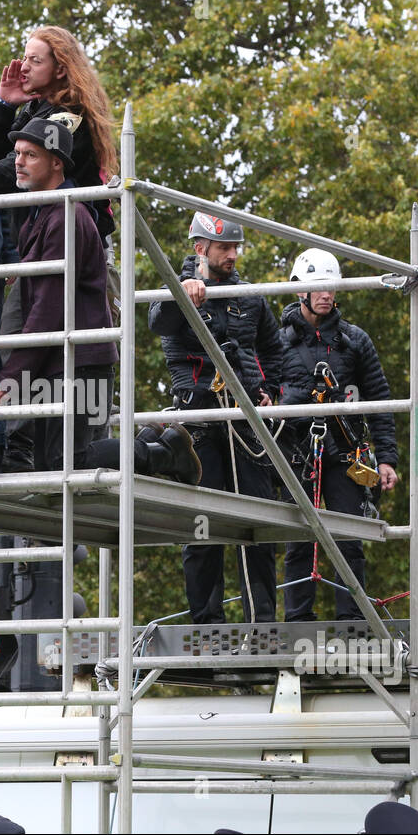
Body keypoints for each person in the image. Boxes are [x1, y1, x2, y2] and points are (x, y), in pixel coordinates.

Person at [0, 118, 200, 482]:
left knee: (65, 463)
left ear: (57, 162)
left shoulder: (68, 215)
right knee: (50, 467)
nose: (18, 162)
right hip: (61, 359)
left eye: (30, 154)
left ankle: (162, 453)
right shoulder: (43, 214)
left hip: (80, 361)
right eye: (17, 154)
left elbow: (49, 305)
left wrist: (13, 373)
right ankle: (155, 441)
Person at [147, 212, 283, 624]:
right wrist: (181, 294)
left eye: (235, 248)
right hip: (200, 419)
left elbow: (273, 351)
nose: (233, 255)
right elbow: (157, 321)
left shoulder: (249, 294)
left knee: (258, 519)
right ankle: (206, 625)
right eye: (224, 248)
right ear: (200, 248)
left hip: (245, 422)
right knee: (202, 526)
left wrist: (271, 393)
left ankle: (262, 622)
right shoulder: (177, 286)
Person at [279, 248, 399, 622]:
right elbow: (260, 392)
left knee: (349, 539)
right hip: (296, 452)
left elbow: (379, 398)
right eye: (319, 287)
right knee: (298, 540)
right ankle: (298, 626)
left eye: (332, 287)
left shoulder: (355, 340)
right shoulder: (278, 341)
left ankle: (354, 624)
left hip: (344, 453)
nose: (327, 294)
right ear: (300, 291)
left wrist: (386, 458)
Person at [0, 25, 118, 242]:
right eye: (24, 58)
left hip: (77, 242)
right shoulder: (36, 107)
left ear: (60, 70)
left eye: (35, 61)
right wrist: (5, 105)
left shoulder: (71, 111)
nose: (24, 68)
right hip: (39, 236)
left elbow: (27, 157)